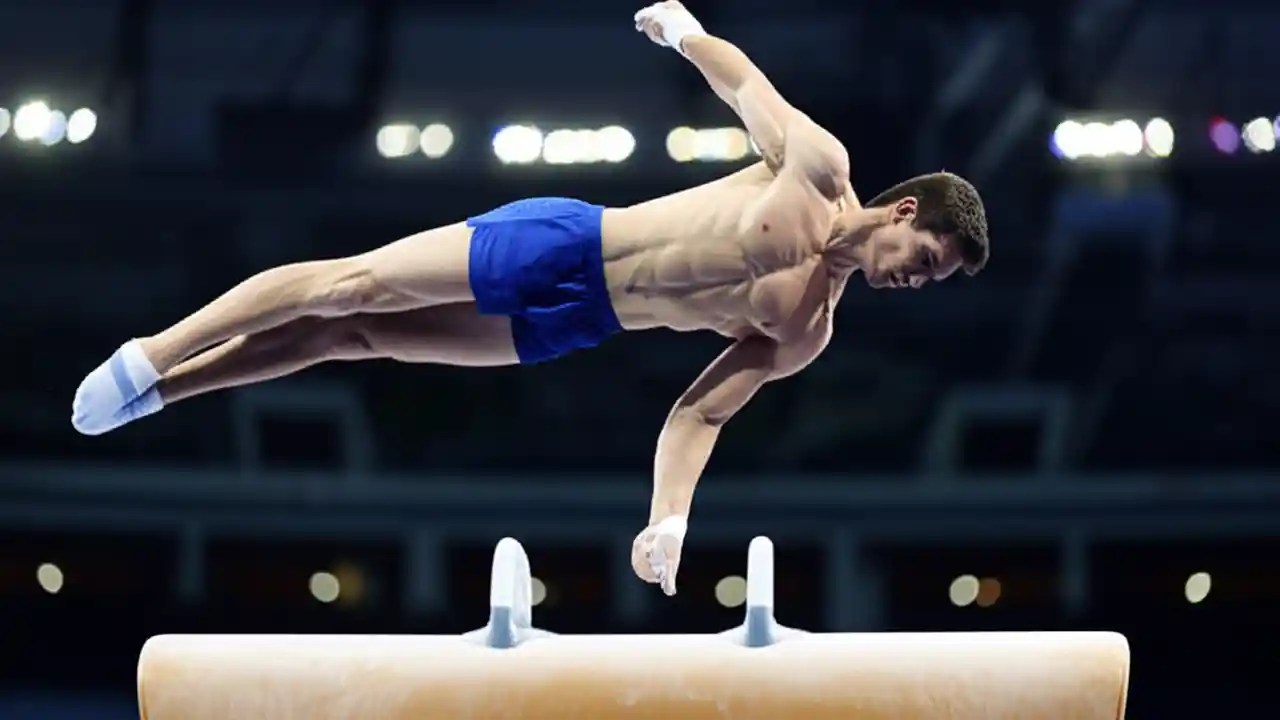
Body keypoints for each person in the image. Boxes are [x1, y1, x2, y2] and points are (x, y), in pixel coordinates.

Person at [72, 1, 989, 597]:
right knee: (351, 283)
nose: (916, 278)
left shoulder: (806, 331)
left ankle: (162, 393)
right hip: (565, 243)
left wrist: (668, 519)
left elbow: (699, 414)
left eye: (932, 278)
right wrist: (684, 32)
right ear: (904, 211)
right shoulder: (818, 168)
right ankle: (156, 350)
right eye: (925, 257)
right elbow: (744, 83)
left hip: (577, 321)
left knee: (353, 338)